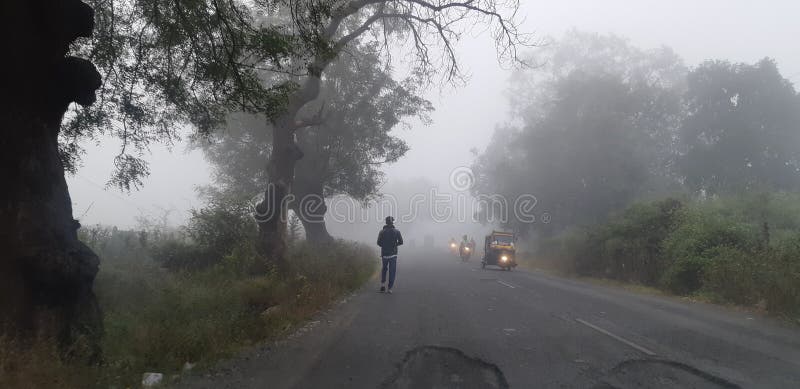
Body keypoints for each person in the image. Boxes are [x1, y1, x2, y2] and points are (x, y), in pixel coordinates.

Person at [377, 216, 403, 293]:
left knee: (384, 269)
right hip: (393, 255)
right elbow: (401, 242)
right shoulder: (397, 231)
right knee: (392, 271)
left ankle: (382, 285)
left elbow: (378, 242)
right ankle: (390, 288)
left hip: (384, 254)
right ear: (392, 222)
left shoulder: (381, 232)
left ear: (386, 222)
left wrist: (384, 246)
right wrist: (395, 245)